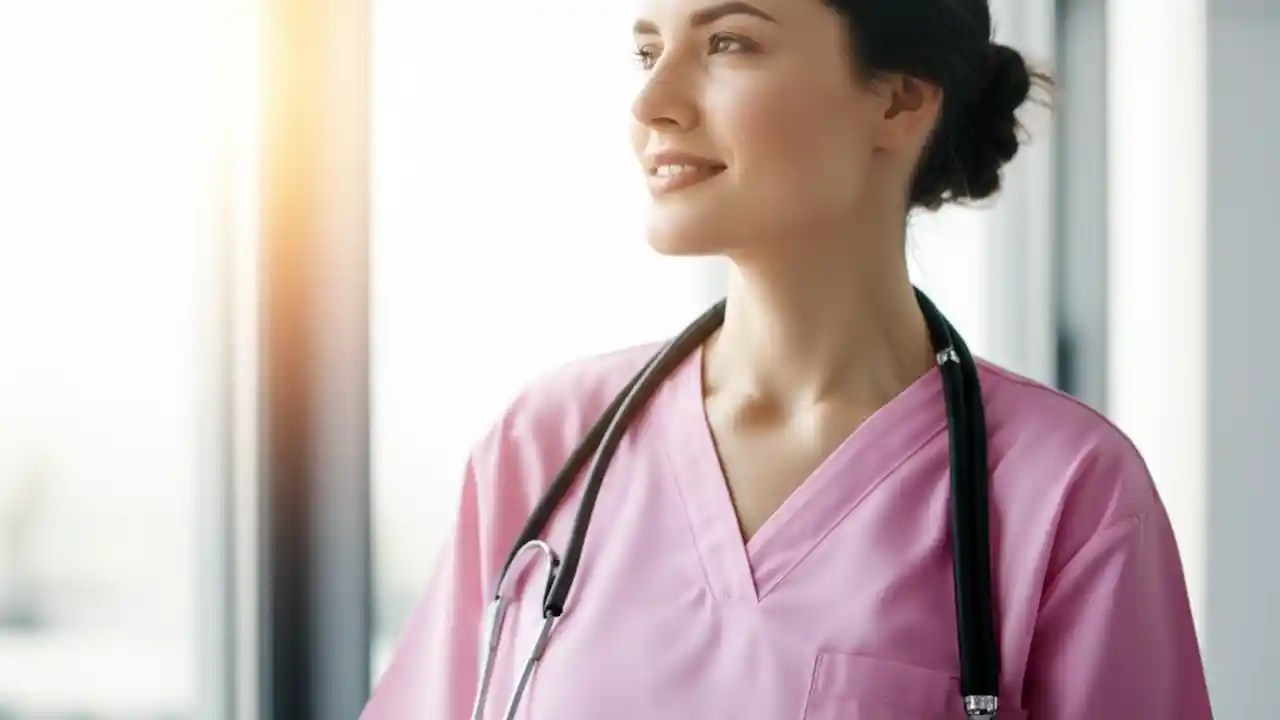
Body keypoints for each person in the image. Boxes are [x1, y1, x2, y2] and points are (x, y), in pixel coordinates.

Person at [360, 0, 1214, 717]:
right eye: (648, 51)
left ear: (900, 102)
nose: (652, 101)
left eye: (729, 42)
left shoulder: (1064, 489)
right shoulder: (548, 442)